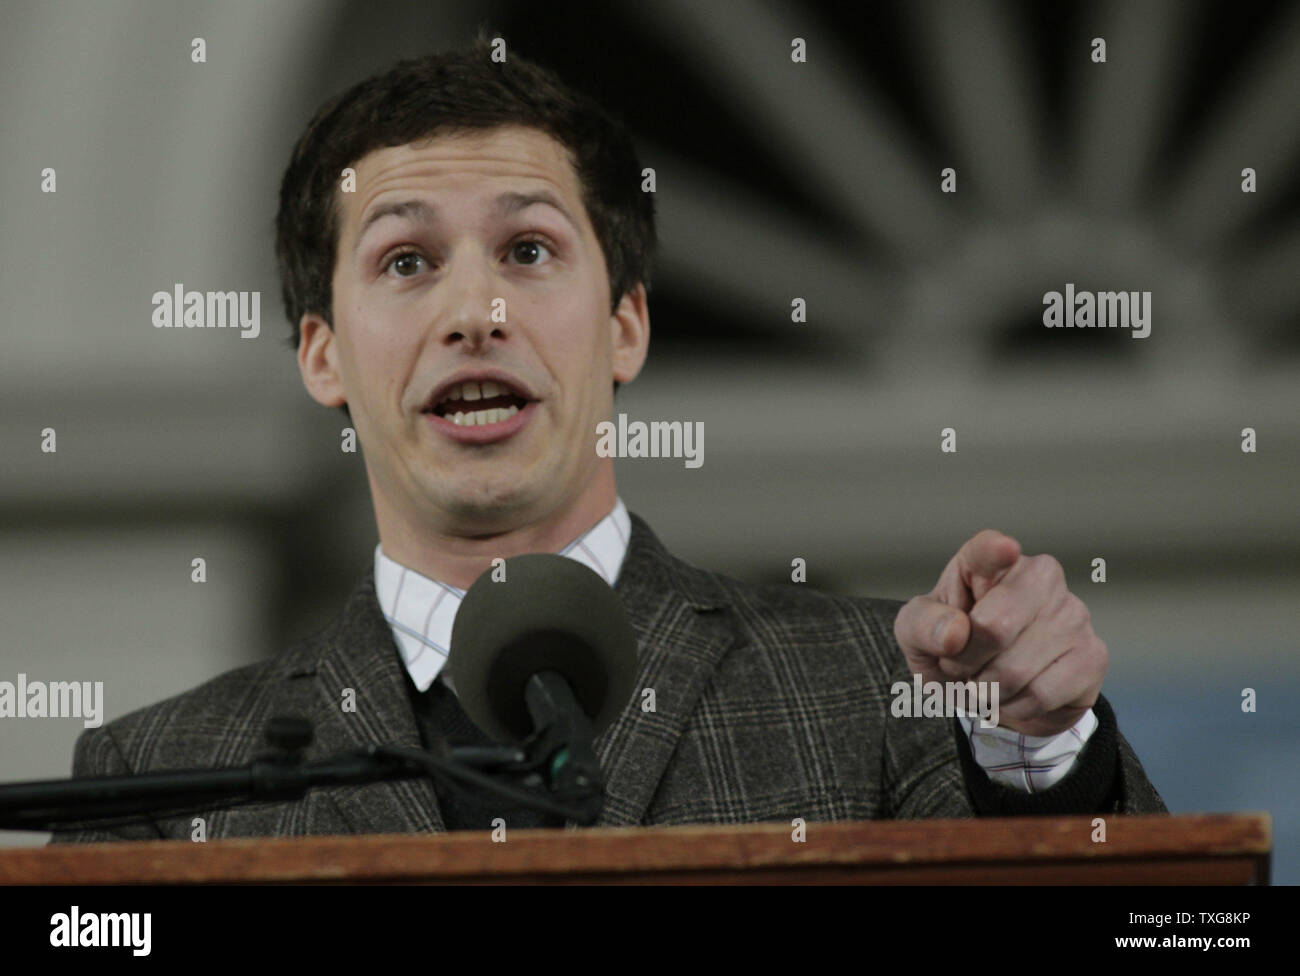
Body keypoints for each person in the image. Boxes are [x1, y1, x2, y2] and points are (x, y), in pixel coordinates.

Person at [51, 38, 1165, 842]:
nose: (474, 311)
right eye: (405, 261)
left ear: (625, 324)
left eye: (528, 251)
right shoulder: (161, 781)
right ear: (321, 354)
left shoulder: (884, 695)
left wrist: (1037, 750)